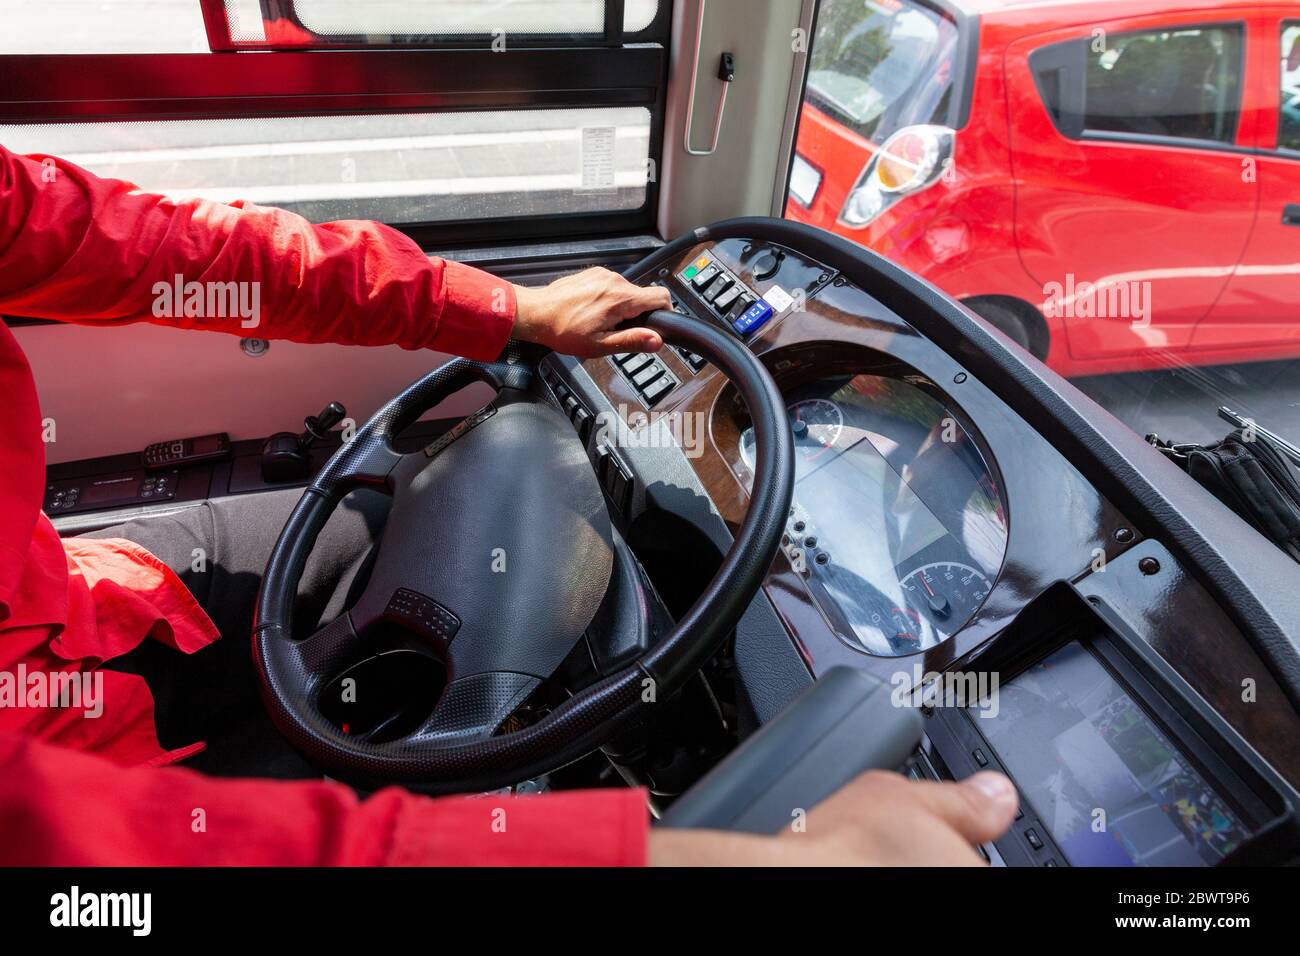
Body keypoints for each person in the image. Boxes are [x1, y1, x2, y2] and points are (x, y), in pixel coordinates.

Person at [0, 143, 1018, 865]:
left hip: (75, 602)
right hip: (72, 779)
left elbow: (152, 246)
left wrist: (505, 311)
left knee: (391, 517)